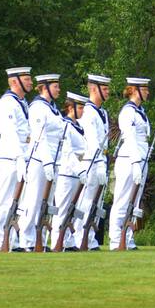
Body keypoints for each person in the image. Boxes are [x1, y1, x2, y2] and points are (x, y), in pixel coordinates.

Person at [16, 74, 67, 251]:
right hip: (40, 160)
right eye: (55, 86)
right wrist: (47, 162)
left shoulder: (53, 108)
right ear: (45, 87)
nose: (59, 89)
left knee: (46, 204)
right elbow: (40, 137)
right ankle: (27, 241)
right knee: (34, 200)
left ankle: (41, 241)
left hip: (53, 161)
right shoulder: (38, 107)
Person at [0, 66, 32, 251]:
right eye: (27, 78)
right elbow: (9, 131)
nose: (31, 82)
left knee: (18, 200)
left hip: (21, 153)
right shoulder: (7, 102)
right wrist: (19, 156)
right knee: (4, 197)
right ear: (15, 81)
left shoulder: (22, 102)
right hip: (10, 154)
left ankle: (12, 240)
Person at [109, 77, 152, 251]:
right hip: (129, 160)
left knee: (133, 203)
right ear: (135, 90)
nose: (148, 92)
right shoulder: (128, 112)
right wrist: (135, 162)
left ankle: (127, 238)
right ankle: (115, 240)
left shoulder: (139, 111)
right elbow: (130, 137)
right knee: (122, 200)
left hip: (140, 160)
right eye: (145, 89)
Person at [73, 74, 112, 250]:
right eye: (104, 89)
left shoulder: (102, 112)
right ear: (94, 89)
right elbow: (93, 140)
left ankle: (90, 239)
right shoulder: (88, 112)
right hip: (91, 161)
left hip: (101, 160)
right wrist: (100, 162)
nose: (108, 92)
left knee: (96, 203)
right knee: (87, 201)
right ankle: (81, 237)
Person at [47, 92, 89, 249]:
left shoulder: (78, 126)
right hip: (67, 170)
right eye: (80, 107)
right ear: (71, 108)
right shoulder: (65, 125)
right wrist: (79, 170)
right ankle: (58, 240)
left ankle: (69, 241)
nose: (83, 110)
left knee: (73, 209)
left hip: (77, 171)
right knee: (63, 209)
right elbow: (68, 151)